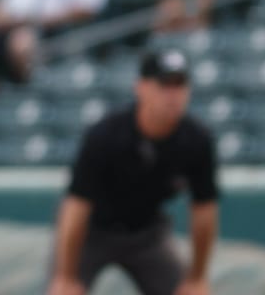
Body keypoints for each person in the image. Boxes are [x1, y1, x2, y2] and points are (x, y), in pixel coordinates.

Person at [47, 51, 218, 295]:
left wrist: (197, 277)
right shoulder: (106, 135)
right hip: (92, 231)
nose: (173, 94)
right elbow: (76, 206)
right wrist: (65, 276)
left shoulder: (196, 140)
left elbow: (204, 211)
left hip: (146, 233)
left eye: (180, 84)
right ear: (141, 88)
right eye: (164, 85)